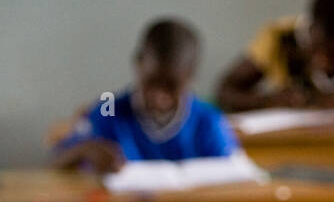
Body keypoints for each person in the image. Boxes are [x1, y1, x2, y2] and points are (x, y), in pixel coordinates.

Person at [52, 19, 237, 174]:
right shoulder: (107, 112)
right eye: (152, 83)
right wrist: (86, 149)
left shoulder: (209, 121)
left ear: (190, 78)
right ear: (138, 64)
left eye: (172, 87)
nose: (159, 97)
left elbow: (233, 175)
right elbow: (57, 161)